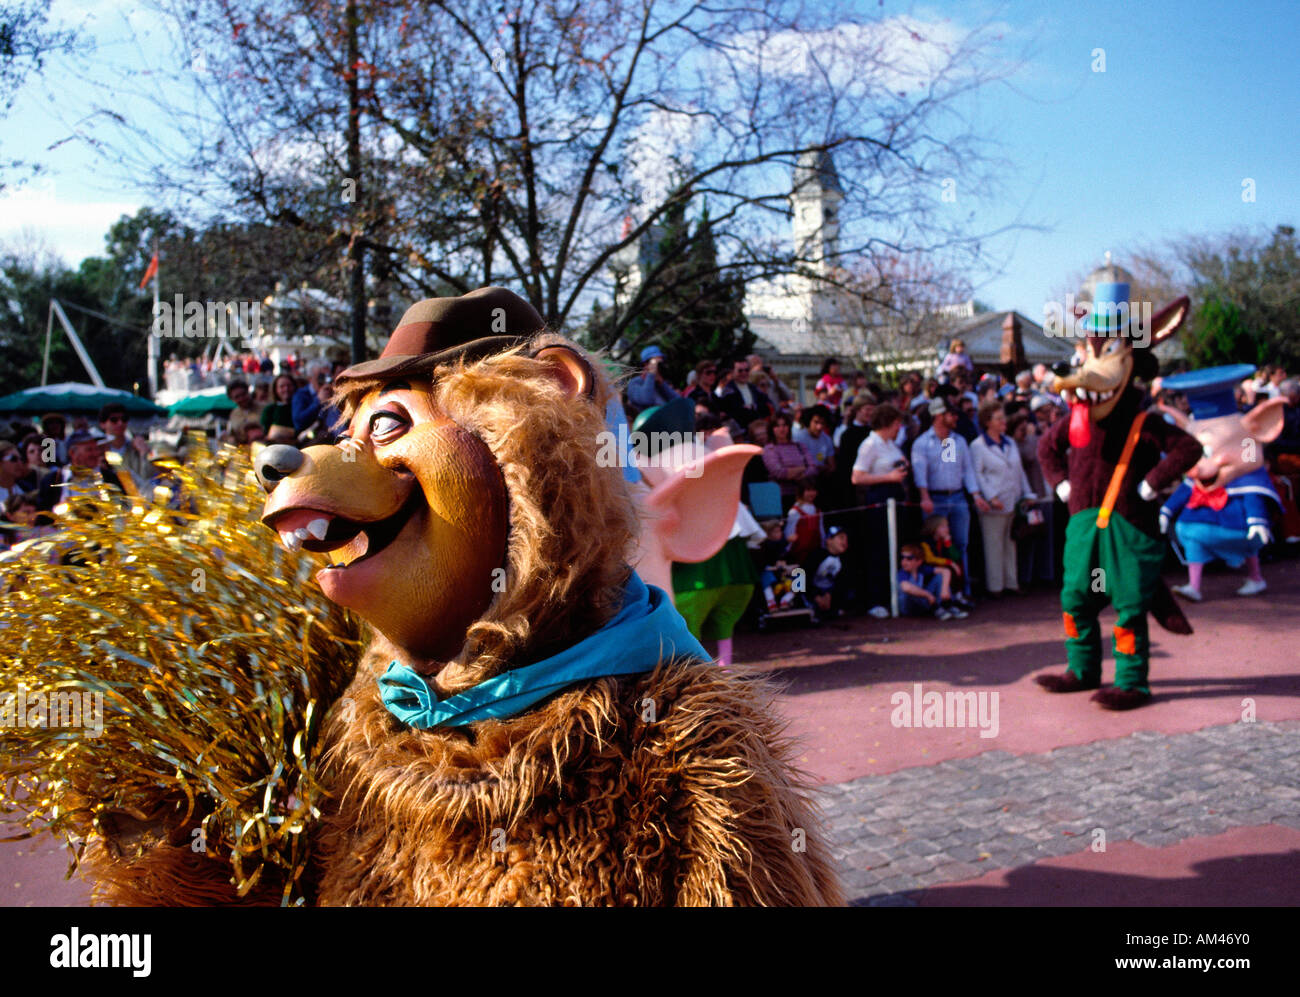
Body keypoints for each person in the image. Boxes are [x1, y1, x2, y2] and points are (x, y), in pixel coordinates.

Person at [911, 395, 987, 604]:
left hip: (957, 497)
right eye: (950, 414)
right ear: (938, 415)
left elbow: (964, 470)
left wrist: (975, 495)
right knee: (935, 546)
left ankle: (961, 590)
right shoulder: (922, 443)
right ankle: (941, 592)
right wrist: (925, 497)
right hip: (935, 499)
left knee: (960, 545)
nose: (955, 417)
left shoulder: (955, 440)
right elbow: (920, 473)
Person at [970, 400, 1034, 597]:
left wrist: (1027, 493)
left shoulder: (1010, 442)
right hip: (994, 504)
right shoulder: (978, 446)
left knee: (1010, 542)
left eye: (1002, 418)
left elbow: (1020, 471)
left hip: (1012, 501)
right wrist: (991, 497)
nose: (1003, 422)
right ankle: (995, 586)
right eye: (998, 419)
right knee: (993, 544)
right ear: (987, 422)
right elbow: (977, 475)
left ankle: (1011, 583)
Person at [897, 544, 965, 620]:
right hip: (909, 608)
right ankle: (937, 608)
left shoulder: (921, 569)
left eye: (909, 558)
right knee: (913, 590)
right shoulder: (902, 573)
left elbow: (946, 571)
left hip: (922, 604)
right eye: (902, 558)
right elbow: (906, 588)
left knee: (939, 577)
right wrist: (928, 595)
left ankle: (947, 605)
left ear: (919, 562)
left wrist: (944, 589)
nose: (904, 561)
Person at [762, 413, 815, 504]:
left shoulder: (799, 446)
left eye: (784, 425)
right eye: (777, 426)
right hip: (782, 498)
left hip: (805, 495)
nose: (782, 429)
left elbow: (813, 468)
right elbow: (779, 472)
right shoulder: (770, 449)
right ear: (772, 429)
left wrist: (799, 474)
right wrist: (803, 468)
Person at [98, 403, 152, 490]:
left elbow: (148, 478)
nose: (120, 423)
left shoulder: (137, 447)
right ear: (103, 424)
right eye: (114, 420)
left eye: (124, 419)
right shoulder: (98, 450)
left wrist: (144, 453)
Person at [804, 526, 853, 617]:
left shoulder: (844, 559)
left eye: (846, 539)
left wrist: (828, 595)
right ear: (829, 540)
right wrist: (815, 597)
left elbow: (841, 582)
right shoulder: (817, 555)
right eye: (841, 538)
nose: (845, 542)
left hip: (828, 592)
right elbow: (803, 575)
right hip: (811, 591)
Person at [719, 358, 772, 428]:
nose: (744, 373)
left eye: (746, 370)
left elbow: (767, 406)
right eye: (740, 371)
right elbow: (736, 412)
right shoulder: (728, 390)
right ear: (732, 372)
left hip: (757, 428)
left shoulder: (753, 388)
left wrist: (753, 407)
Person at [784, 478, 824, 564]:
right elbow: (789, 533)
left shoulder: (818, 511)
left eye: (814, 490)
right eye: (808, 490)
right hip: (799, 553)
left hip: (814, 551)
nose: (812, 493)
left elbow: (821, 531)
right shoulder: (795, 511)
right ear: (801, 491)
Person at [626, 346, 678, 412]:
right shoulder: (635, 383)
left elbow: (678, 402)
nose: (659, 367)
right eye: (657, 363)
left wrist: (662, 383)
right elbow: (646, 400)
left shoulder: (661, 384)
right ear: (645, 364)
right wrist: (651, 374)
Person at [792, 405, 836, 480]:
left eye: (822, 423)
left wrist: (823, 469)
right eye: (816, 422)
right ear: (809, 421)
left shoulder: (827, 439)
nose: (819, 427)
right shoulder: (798, 438)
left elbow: (832, 466)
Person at [260, 374, 299, 444]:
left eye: (289, 385)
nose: (286, 389)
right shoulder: (270, 410)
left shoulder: (301, 406)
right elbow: (265, 432)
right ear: (276, 389)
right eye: (282, 386)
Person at [225, 379, 264, 444]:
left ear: (248, 392)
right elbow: (232, 435)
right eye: (237, 397)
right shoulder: (234, 414)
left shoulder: (264, 408)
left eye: (243, 394)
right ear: (232, 399)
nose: (241, 398)